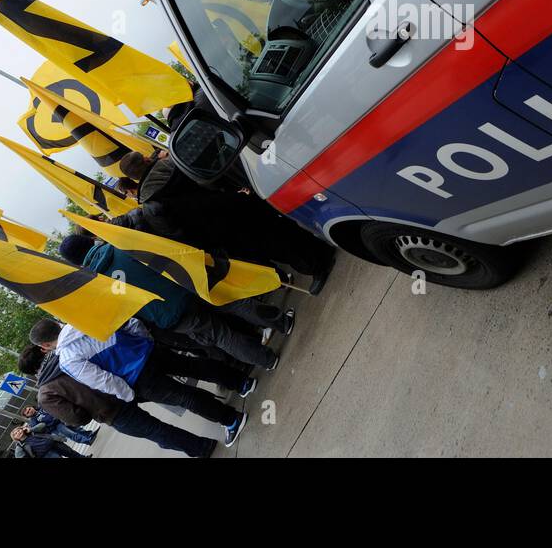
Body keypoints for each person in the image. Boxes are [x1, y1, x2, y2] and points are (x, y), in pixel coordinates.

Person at [114, 148, 336, 292]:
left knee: (271, 245)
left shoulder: (151, 205)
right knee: (278, 228)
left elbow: (179, 234)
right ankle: (321, 252)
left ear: (134, 179)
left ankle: (316, 266)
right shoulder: (176, 161)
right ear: (144, 158)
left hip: (220, 230)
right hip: (232, 202)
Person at [59, 232, 282, 371]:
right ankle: (281, 322)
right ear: (90, 239)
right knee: (232, 302)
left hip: (169, 314)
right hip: (185, 284)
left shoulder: (98, 285)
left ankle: (267, 360)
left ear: (77, 262)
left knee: (221, 336)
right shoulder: (122, 243)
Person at [29, 317, 252, 449]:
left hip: (137, 377)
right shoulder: (85, 319)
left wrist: (127, 394)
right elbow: (129, 322)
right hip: (148, 350)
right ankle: (243, 382)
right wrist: (145, 341)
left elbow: (102, 380)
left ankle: (231, 419)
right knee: (194, 365)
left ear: (46, 346)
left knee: (185, 397)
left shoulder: (67, 358)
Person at [18, 344, 217, 459]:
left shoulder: (46, 393)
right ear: (43, 351)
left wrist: (92, 409)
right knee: (180, 396)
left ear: (33, 372)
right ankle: (223, 412)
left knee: (158, 431)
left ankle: (202, 447)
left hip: (112, 412)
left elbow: (77, 418)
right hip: (129, 383)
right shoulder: (69, 353)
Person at [19, 404, 97, 446]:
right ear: (27, 416)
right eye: (28, 412)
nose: (30, 411)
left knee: (76, 428)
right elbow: (42, 428)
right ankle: (87, 441)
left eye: (29, 409)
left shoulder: (41, 407)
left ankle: (90, 435)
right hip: (56, 427)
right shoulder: (33, 421)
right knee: (72, 434)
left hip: (60, 419)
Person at [9, 424, 87, 459]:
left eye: (18, 430)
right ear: (15, 438)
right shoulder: (19, 447)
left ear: (21, 429)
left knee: (71, 452)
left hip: (54, 443)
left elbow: (43, 425)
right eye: (15, 434)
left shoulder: (32, 431)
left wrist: (31, 429)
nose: (18, 433)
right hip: (47, 455)